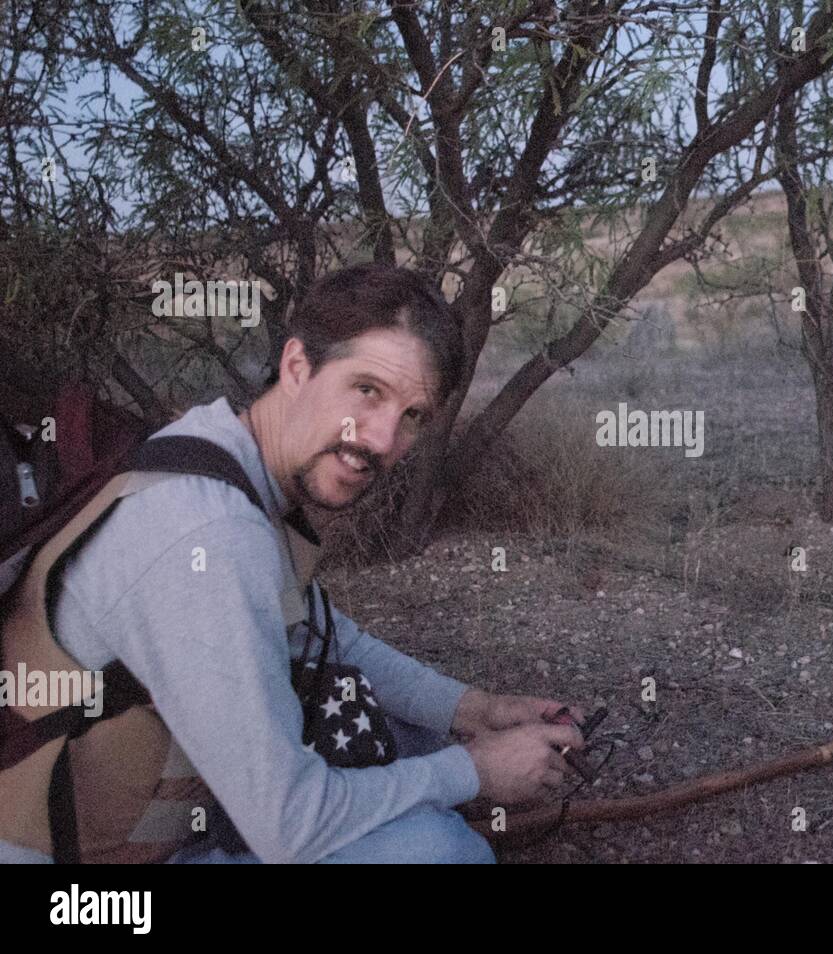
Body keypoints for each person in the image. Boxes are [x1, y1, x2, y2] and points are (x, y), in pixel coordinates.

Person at [0, 264, 584, 864]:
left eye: (413, 415)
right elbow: (290, 827)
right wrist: (472, 772)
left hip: (144, 833)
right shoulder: (210, 533)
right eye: (367, 391)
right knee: (437, 851)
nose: (382, 439)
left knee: (413, 740)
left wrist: (478, 711)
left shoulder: (221, 454)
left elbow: (326, 641)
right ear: (297, 366)